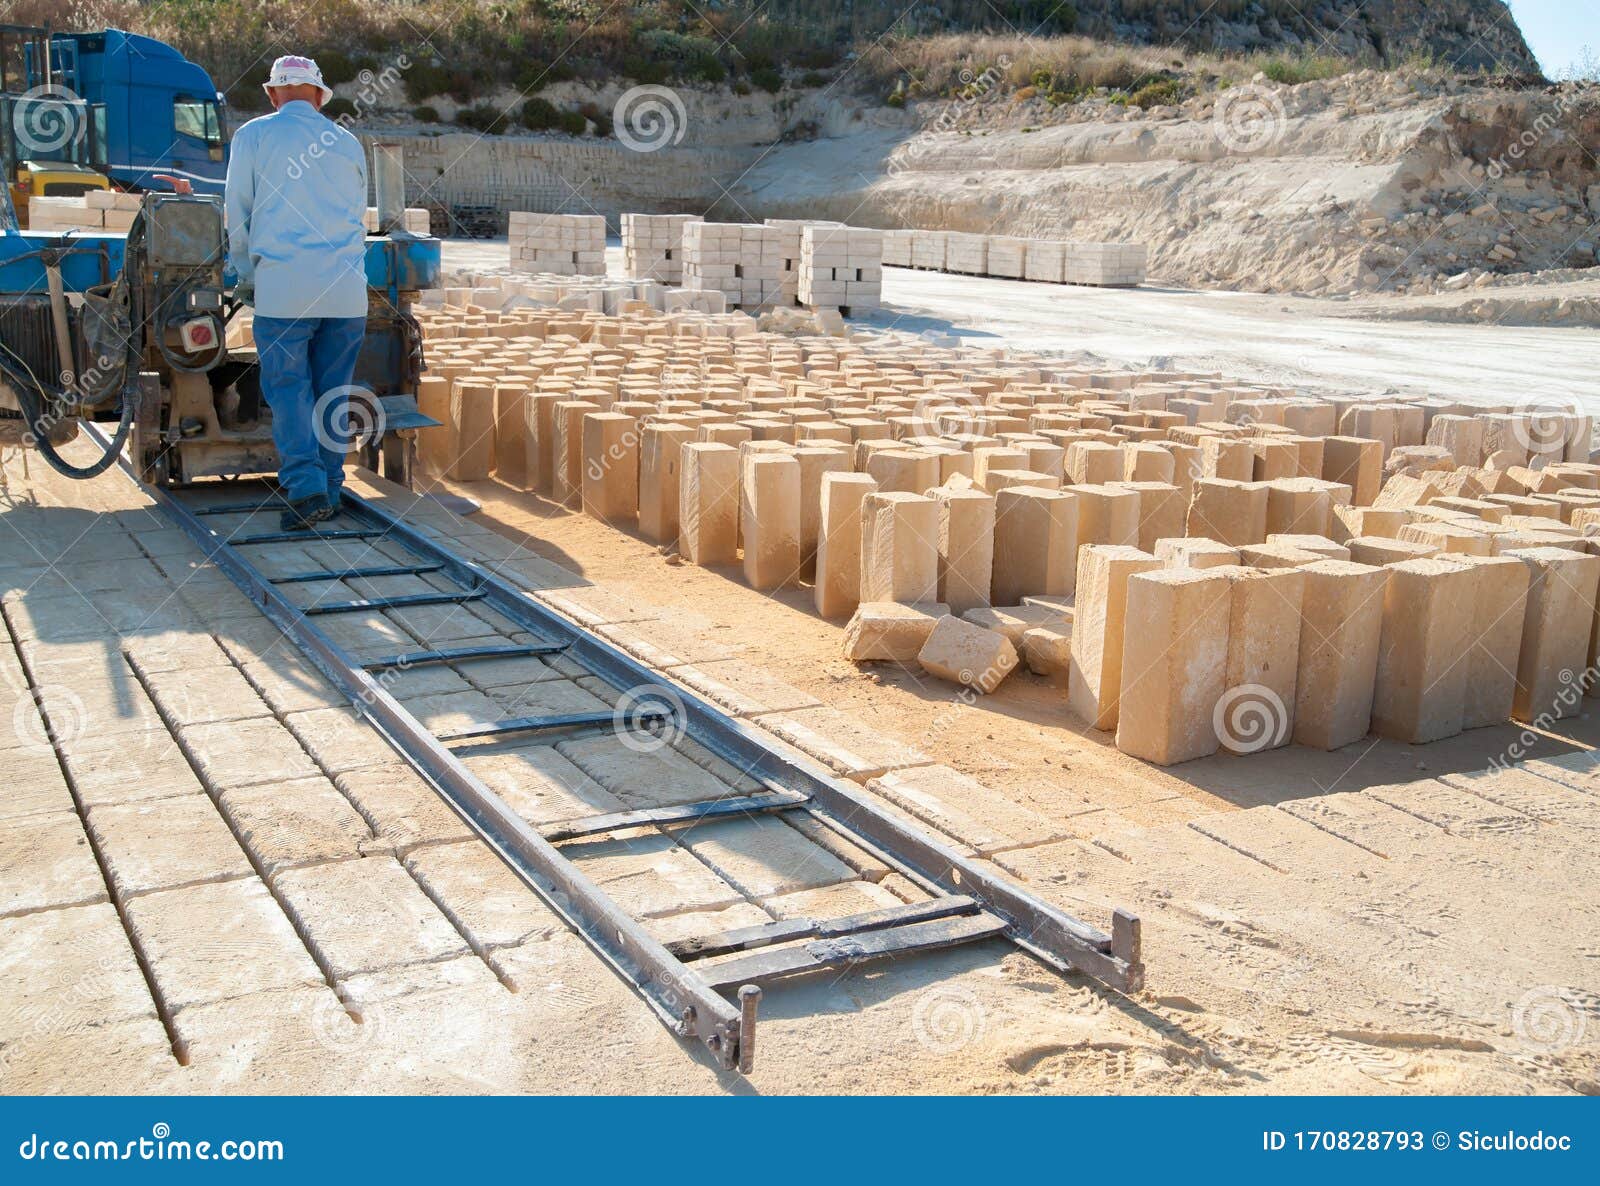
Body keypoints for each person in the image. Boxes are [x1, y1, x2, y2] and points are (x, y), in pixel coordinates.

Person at [225, 55, 368, 530]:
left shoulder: (253, 136)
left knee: (289, 390)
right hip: (347, 292)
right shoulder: (347, 142)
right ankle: (330, 485)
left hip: (284, 289)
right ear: (319, 95)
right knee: (333, 390)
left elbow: (238, 216)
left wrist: (245, 277)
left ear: (272, 94)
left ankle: (307, 492)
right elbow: (357, 216)